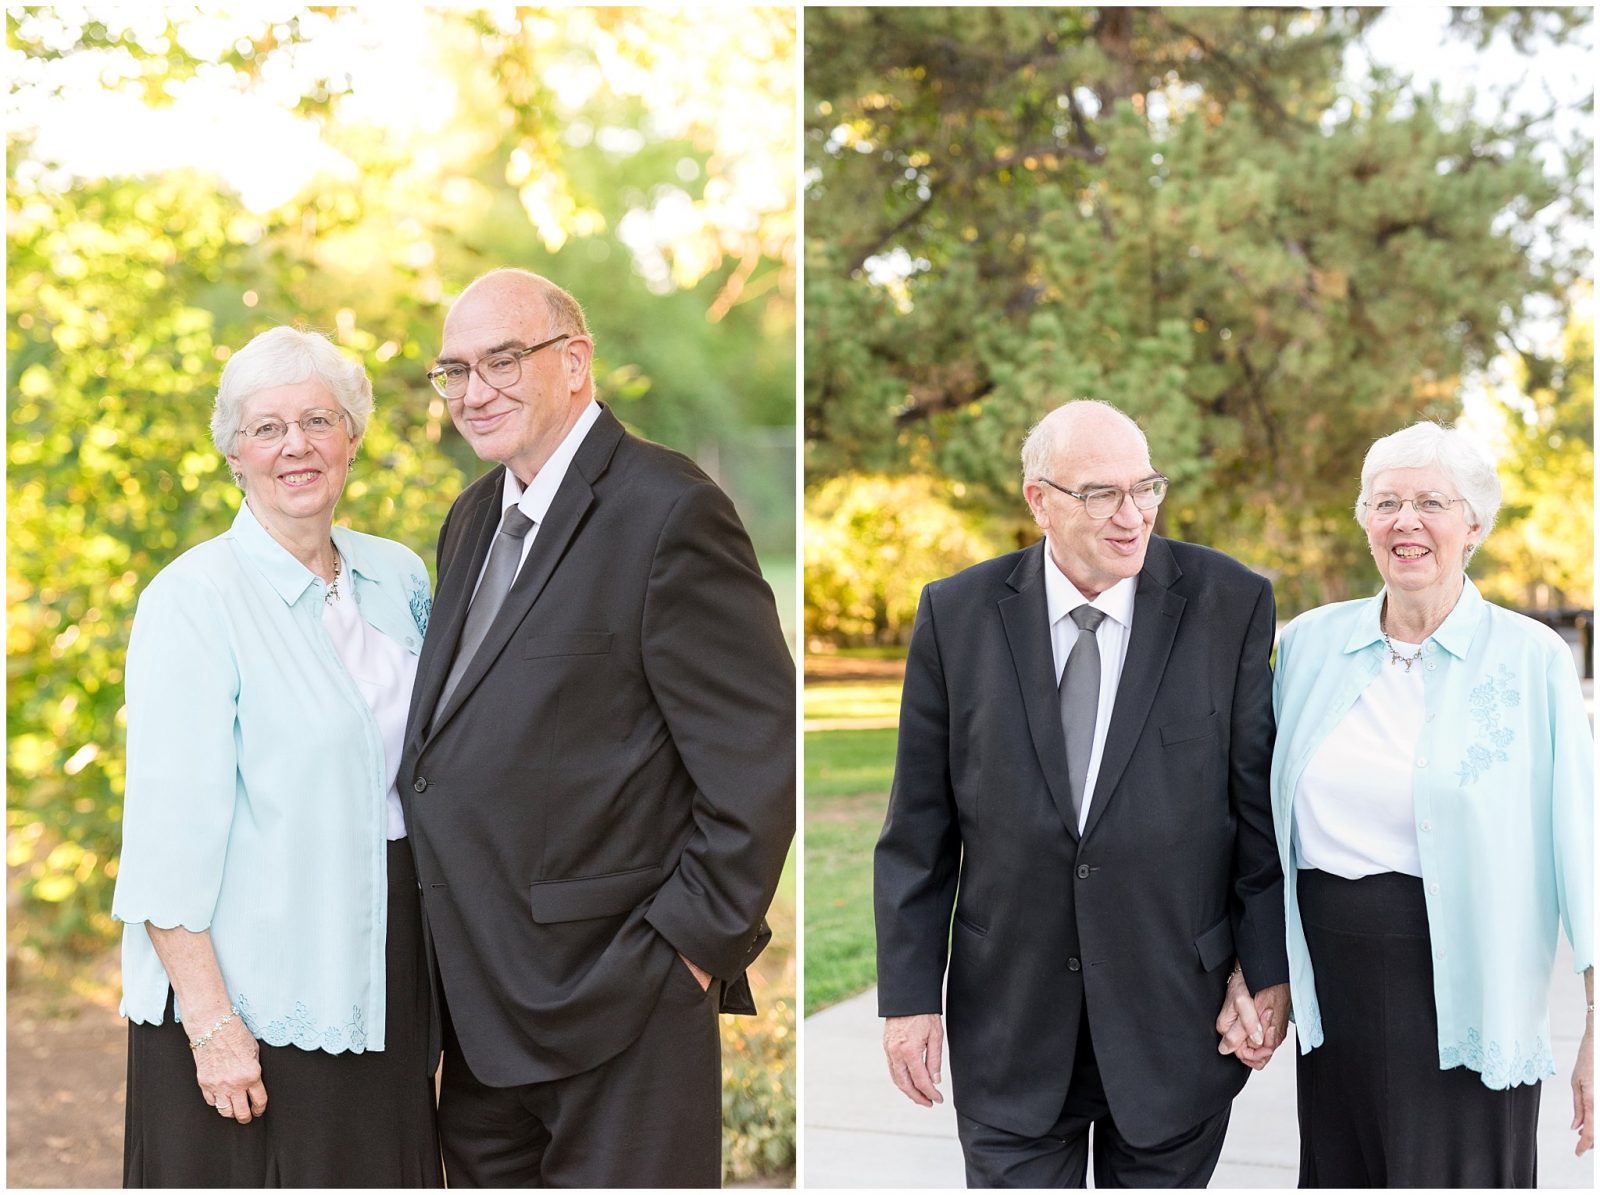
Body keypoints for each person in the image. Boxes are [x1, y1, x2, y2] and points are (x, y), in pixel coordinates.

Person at [398, 268, 795, 1188]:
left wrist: (686, 953)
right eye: (454, 370)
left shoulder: (668, 509)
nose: (475, 390)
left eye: (502, 359)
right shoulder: (471, 518)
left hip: (620, 1003)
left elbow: (753, 758)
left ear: (574, 362)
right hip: (482, 1012)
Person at [874, 399, 1290, 1188]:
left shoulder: (1230, 604)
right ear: (1040, 499)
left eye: (1146, 488)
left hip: (1177, 1020)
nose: (1133, 515)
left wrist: (1262, 968)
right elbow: (916, 832)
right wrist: (907, 998)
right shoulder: (955, 615)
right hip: (1011, 1024)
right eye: (1102, 494)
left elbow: (1257, 814)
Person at [111, 326, 442, 1187]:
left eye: (318, 420)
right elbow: (164, 836)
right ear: (233, 452)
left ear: (353, 438)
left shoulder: (399, 577)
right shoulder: (193, 598)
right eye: (267, 427)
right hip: (249, 995)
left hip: (388, 965)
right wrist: (213, 1024)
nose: (296, 445)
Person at [1270, 421, 1593, 1187]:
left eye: (1431, 503)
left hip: (1470, 984)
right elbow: (1254, 823)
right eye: (1386, 503)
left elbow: (1583, 846)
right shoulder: (1308, 646)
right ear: (1365, 522)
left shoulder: (1531, 657)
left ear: (1473, 525)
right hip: (1336, 985)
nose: (1405, 521)